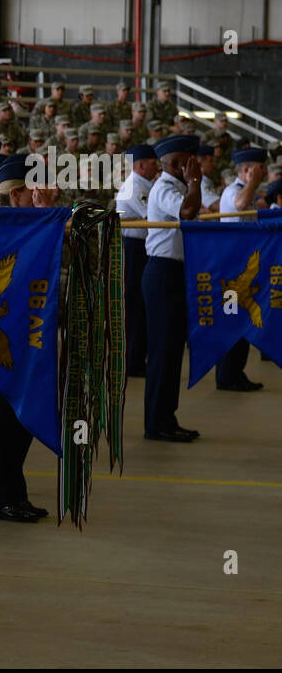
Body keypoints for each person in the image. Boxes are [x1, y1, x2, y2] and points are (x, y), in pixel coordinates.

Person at [0, 154, 53, 522]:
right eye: (33, 189)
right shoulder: (4, 226)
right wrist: (45, 217)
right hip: (7, 332)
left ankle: (13, 491)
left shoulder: (31, 223)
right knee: (6, 417)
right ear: (16, 194)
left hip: (28, 330)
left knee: (19, 416)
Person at [142, 135, 202, 443]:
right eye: (191, 160)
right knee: (163, 350)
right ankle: (156, 422)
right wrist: (195, 182)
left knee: (173, 349)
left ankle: (167, 416)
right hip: (163, 272)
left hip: (175, 272)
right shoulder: (165, 188)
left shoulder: (178, 187)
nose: (196, 165)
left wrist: (192, 185)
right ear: (178, 163)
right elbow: (188, 213)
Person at [213, 147, 268, 392]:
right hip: (232, 268)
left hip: (242, 266)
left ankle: (236, 372)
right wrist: (253, 182)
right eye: (259, 169)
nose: (264, 173)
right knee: (233, 318)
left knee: (242, 320)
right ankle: (226, 375)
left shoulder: (246, 191)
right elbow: (241, 204)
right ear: (247, 170)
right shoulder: (233, 191)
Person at [115, 144, 159, 378]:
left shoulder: (145, 184)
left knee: (140, 305)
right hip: (132, 248)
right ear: (141, 164)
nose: (157, 166)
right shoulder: (134, 186)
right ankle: (132, 361)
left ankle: (136, 357)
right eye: (153, 162)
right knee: (134, 304)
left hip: (140, 247)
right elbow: (151, 216)